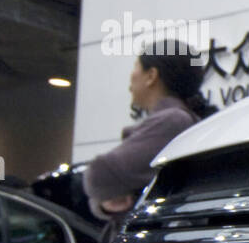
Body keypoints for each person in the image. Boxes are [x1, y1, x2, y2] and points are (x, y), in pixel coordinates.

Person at [83, 41, 216, 223]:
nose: (131, 77)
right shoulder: (178, 119)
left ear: (151, 76)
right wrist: (104, 202)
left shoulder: (173, 120)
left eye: (136, 67)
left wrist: (104, 200)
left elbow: (100, 174)